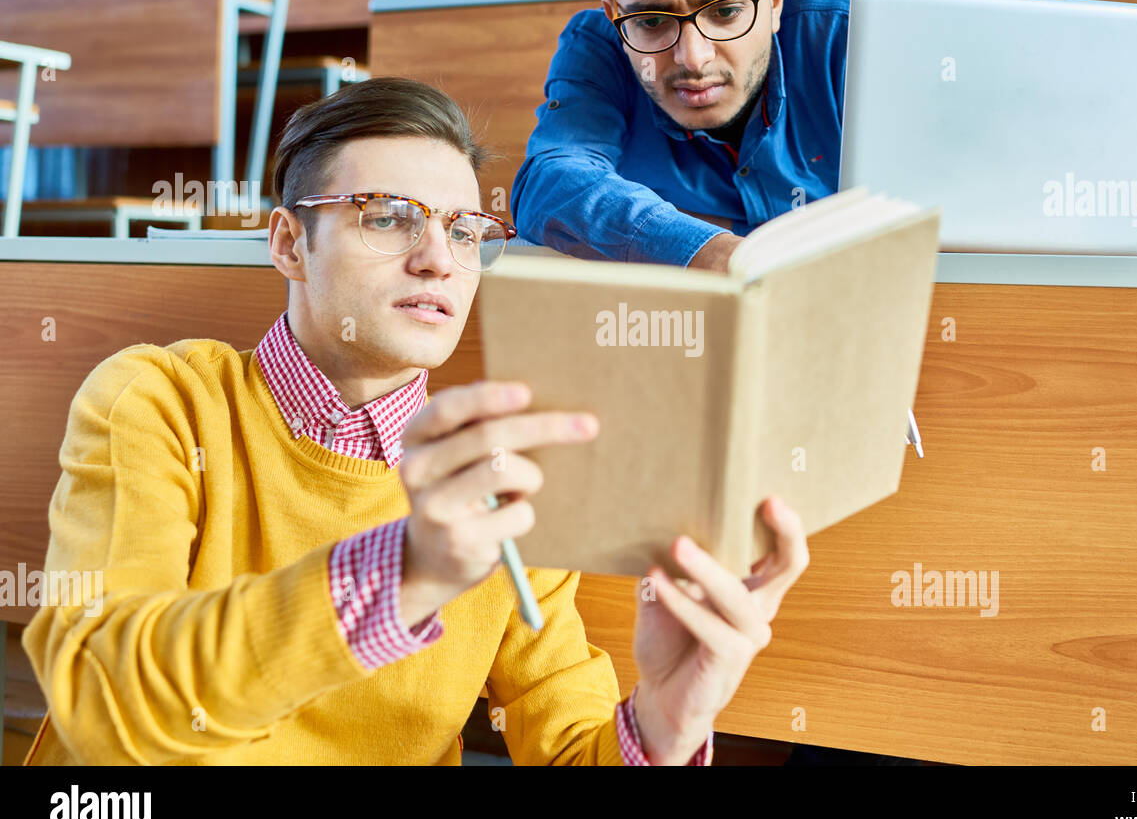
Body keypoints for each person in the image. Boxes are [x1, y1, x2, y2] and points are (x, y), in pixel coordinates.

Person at [21, 76, 809, 766]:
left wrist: (665, 727)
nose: (439, 257)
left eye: (466, 231)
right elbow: (104, 704)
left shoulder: (502, 482)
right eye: (389, 216)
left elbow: (572, 748)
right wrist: (404, 572)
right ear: (289, 243)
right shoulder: (159, 401)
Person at [511, 0, 860, 270]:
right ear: (615, 16)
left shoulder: (854, 29)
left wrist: (687, 231)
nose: (693, 58)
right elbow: (549, 187)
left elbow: (918, 216)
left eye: (726, 11)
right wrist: (722, 254)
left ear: (774, 0)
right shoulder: (599, 46)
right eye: (650, 21)